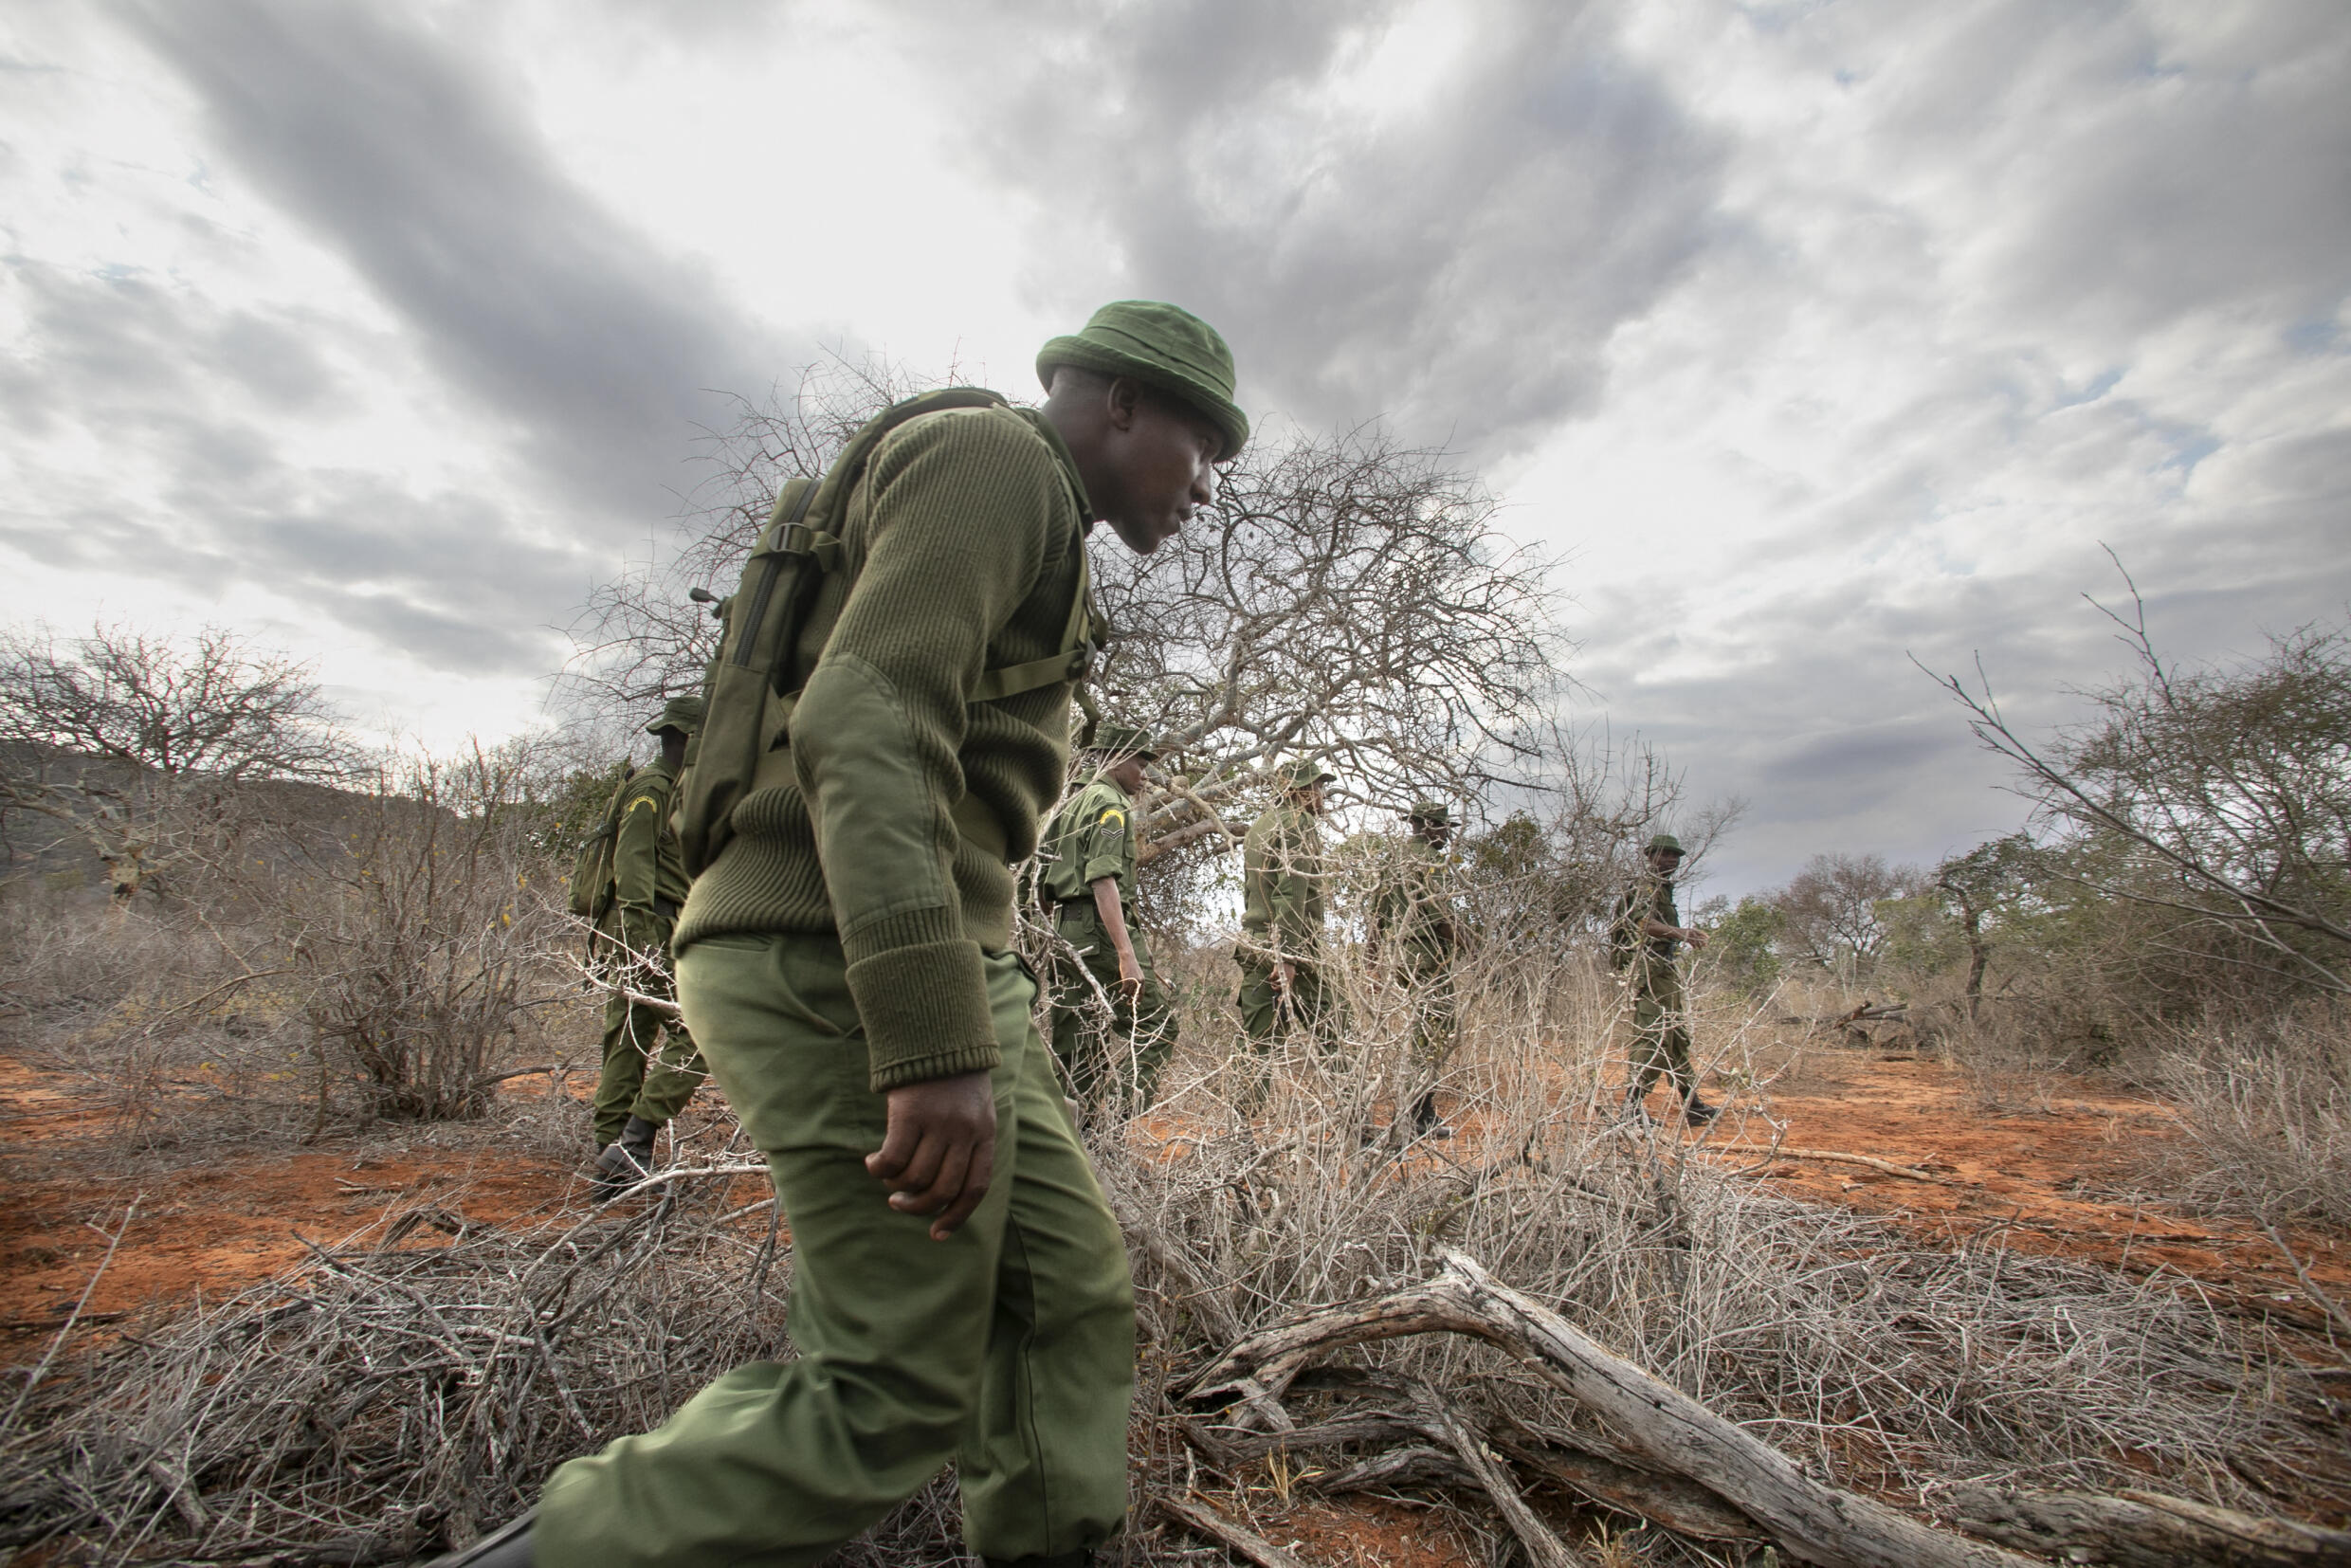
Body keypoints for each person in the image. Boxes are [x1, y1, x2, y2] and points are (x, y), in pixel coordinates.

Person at [425, 301, 1248, 1568]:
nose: (1209, 487)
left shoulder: (1045, 520)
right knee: (895, 1383)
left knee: (1064, 1293)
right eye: (1205, 446)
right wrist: (928, 1043)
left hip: (946, 964)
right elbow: (864, 712)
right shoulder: (998, 462)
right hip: (841, 958)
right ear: (1123, 402)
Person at [587, 696, 710, 1201]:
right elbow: (631, 860)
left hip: (659, 920)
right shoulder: (653, 787)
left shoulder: (677, 788)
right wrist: (640, 936)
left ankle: (612, 1152)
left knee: (631, 1034)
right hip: (645, 922)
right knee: (702, 1027)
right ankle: (631, 1140)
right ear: (685, 737)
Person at [1038, 723, 1179, 1121]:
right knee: (1156, 1029)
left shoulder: (1070, 802)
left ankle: (1074, 1140)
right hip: (1098, 932)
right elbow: (1102, 879)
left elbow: (1042, 878)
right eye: (1140, 762)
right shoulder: (1109, 805)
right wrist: (1125, 953)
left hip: (1065, 932)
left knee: (1077, 1042)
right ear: (1116, 760)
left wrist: (1051, 936)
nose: (1145, 774)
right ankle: (1111, 1128)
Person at [1234, 760, 1337, 1075]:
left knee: (1257, 1045)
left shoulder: (1259, 826)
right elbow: (1291, 894)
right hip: (1293, 950)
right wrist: (1288, 957)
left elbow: (1252, 892)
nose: (1322, 796)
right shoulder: (1299, 823)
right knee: (1338, 1035)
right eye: (1317, 787)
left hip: (1255, 944)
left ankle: (1242, 1120)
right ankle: (1355, 1119)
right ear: (1297, 791)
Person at [1613, 832, 1719, 1125]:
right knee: (1653, 1037)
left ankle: (1693, 1104)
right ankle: (1630, 1110)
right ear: (1651, 857)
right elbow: (1645, 924)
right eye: (1665, 854)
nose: (1672, 860)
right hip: (1651, 972)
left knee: (1674, 1038)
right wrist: (1681, 934)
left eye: (1676, 856)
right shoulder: (1645, 888)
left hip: (1665, 971)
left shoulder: (1662, 889)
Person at [1369, 800, 1459, 1139]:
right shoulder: (1430, 861)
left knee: (1420, 1030)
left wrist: (1372, 963)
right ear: (1427, 825)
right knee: (1433, 1032)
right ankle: (1418, 1114)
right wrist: (1478, 948)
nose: (1447, 835)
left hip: (1403, 954)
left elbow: (1376, 916)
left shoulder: (1394, 859)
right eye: (1443, 827)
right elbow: (1442, 920)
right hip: (1428, 955)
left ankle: (1416, 1111)